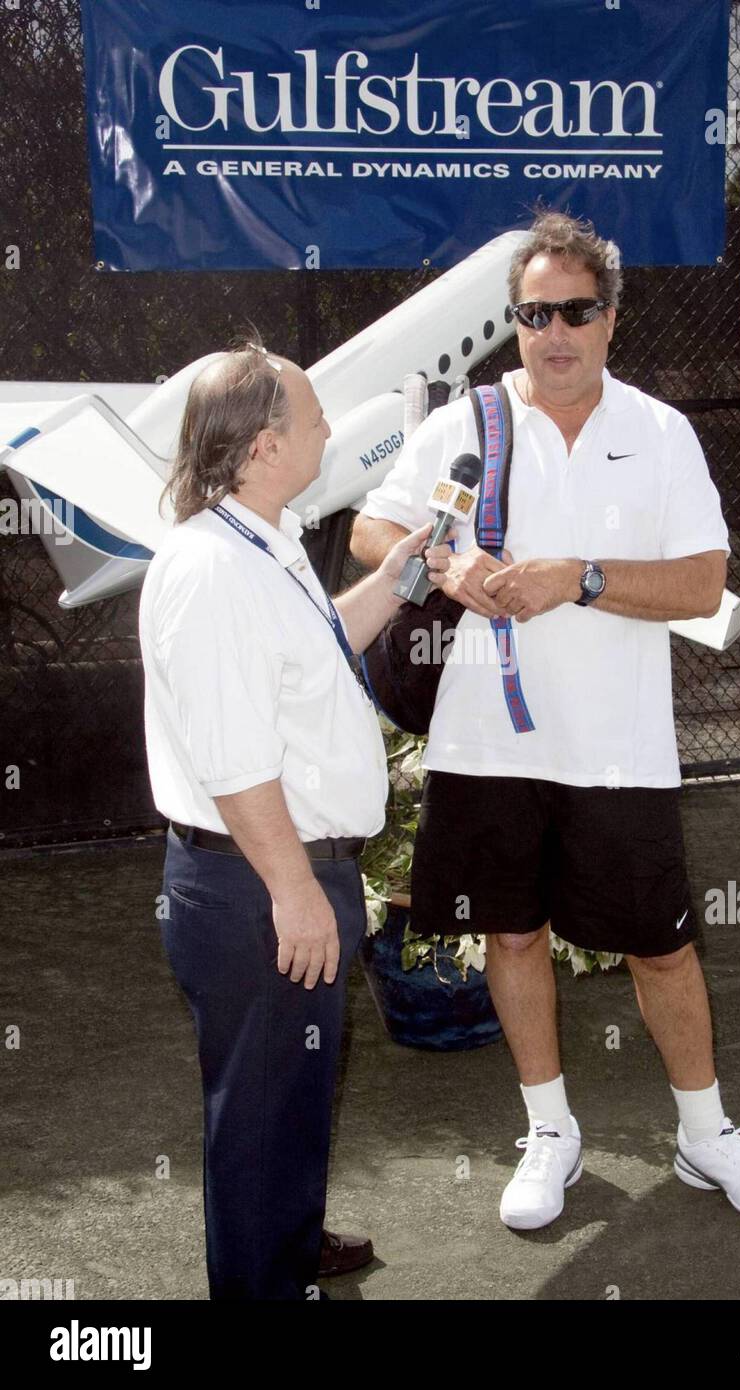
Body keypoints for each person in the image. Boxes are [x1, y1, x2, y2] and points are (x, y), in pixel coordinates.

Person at [350, 212, 740, 1232]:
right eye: (532, 313)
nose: (553, 331)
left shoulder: (658, 431)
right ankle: (550, 1132)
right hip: (486, 743)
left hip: (620, 750)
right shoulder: (465, 420)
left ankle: (704, 1136)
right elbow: (372, 527)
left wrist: (578, 578)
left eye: (574, 310)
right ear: (514, 321)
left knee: (660, 946)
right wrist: (451, 565)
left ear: (609, 318)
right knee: (512, 933)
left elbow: (702, 584)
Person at [139, 338, 429, 1298]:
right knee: (260, 1112)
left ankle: (289, 1248)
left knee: (292, 1096)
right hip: (259, 881)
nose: (328, 433)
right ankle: (264, 1279)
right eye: (311, 419)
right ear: (263, 446)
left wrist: (398, 580)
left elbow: (318, 650)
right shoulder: (215, 568)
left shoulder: (263, 540)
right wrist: (296, 892)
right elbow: (233, 760)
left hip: (281, 875)